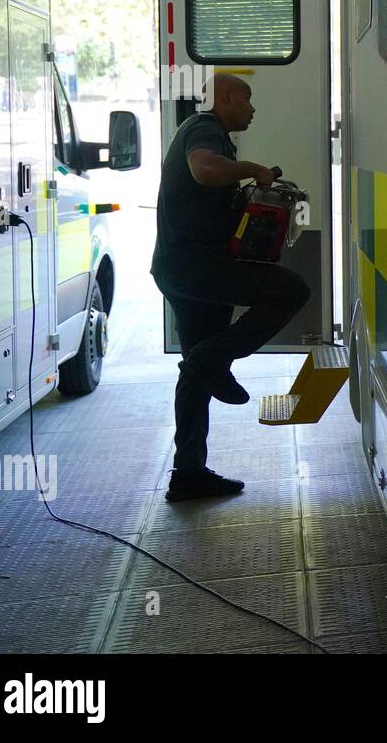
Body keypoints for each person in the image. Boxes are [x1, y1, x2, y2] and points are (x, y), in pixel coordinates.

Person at [151, 73, 311, 503]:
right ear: (225, 98)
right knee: (292, 291)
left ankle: (188, 474)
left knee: (196, 372)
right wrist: (252, 170)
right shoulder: (205, 129)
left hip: (181, 270)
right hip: (196, 269)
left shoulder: (207, 132)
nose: (252, 108)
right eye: (247, 98)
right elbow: (204, 170)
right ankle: (214, 358)